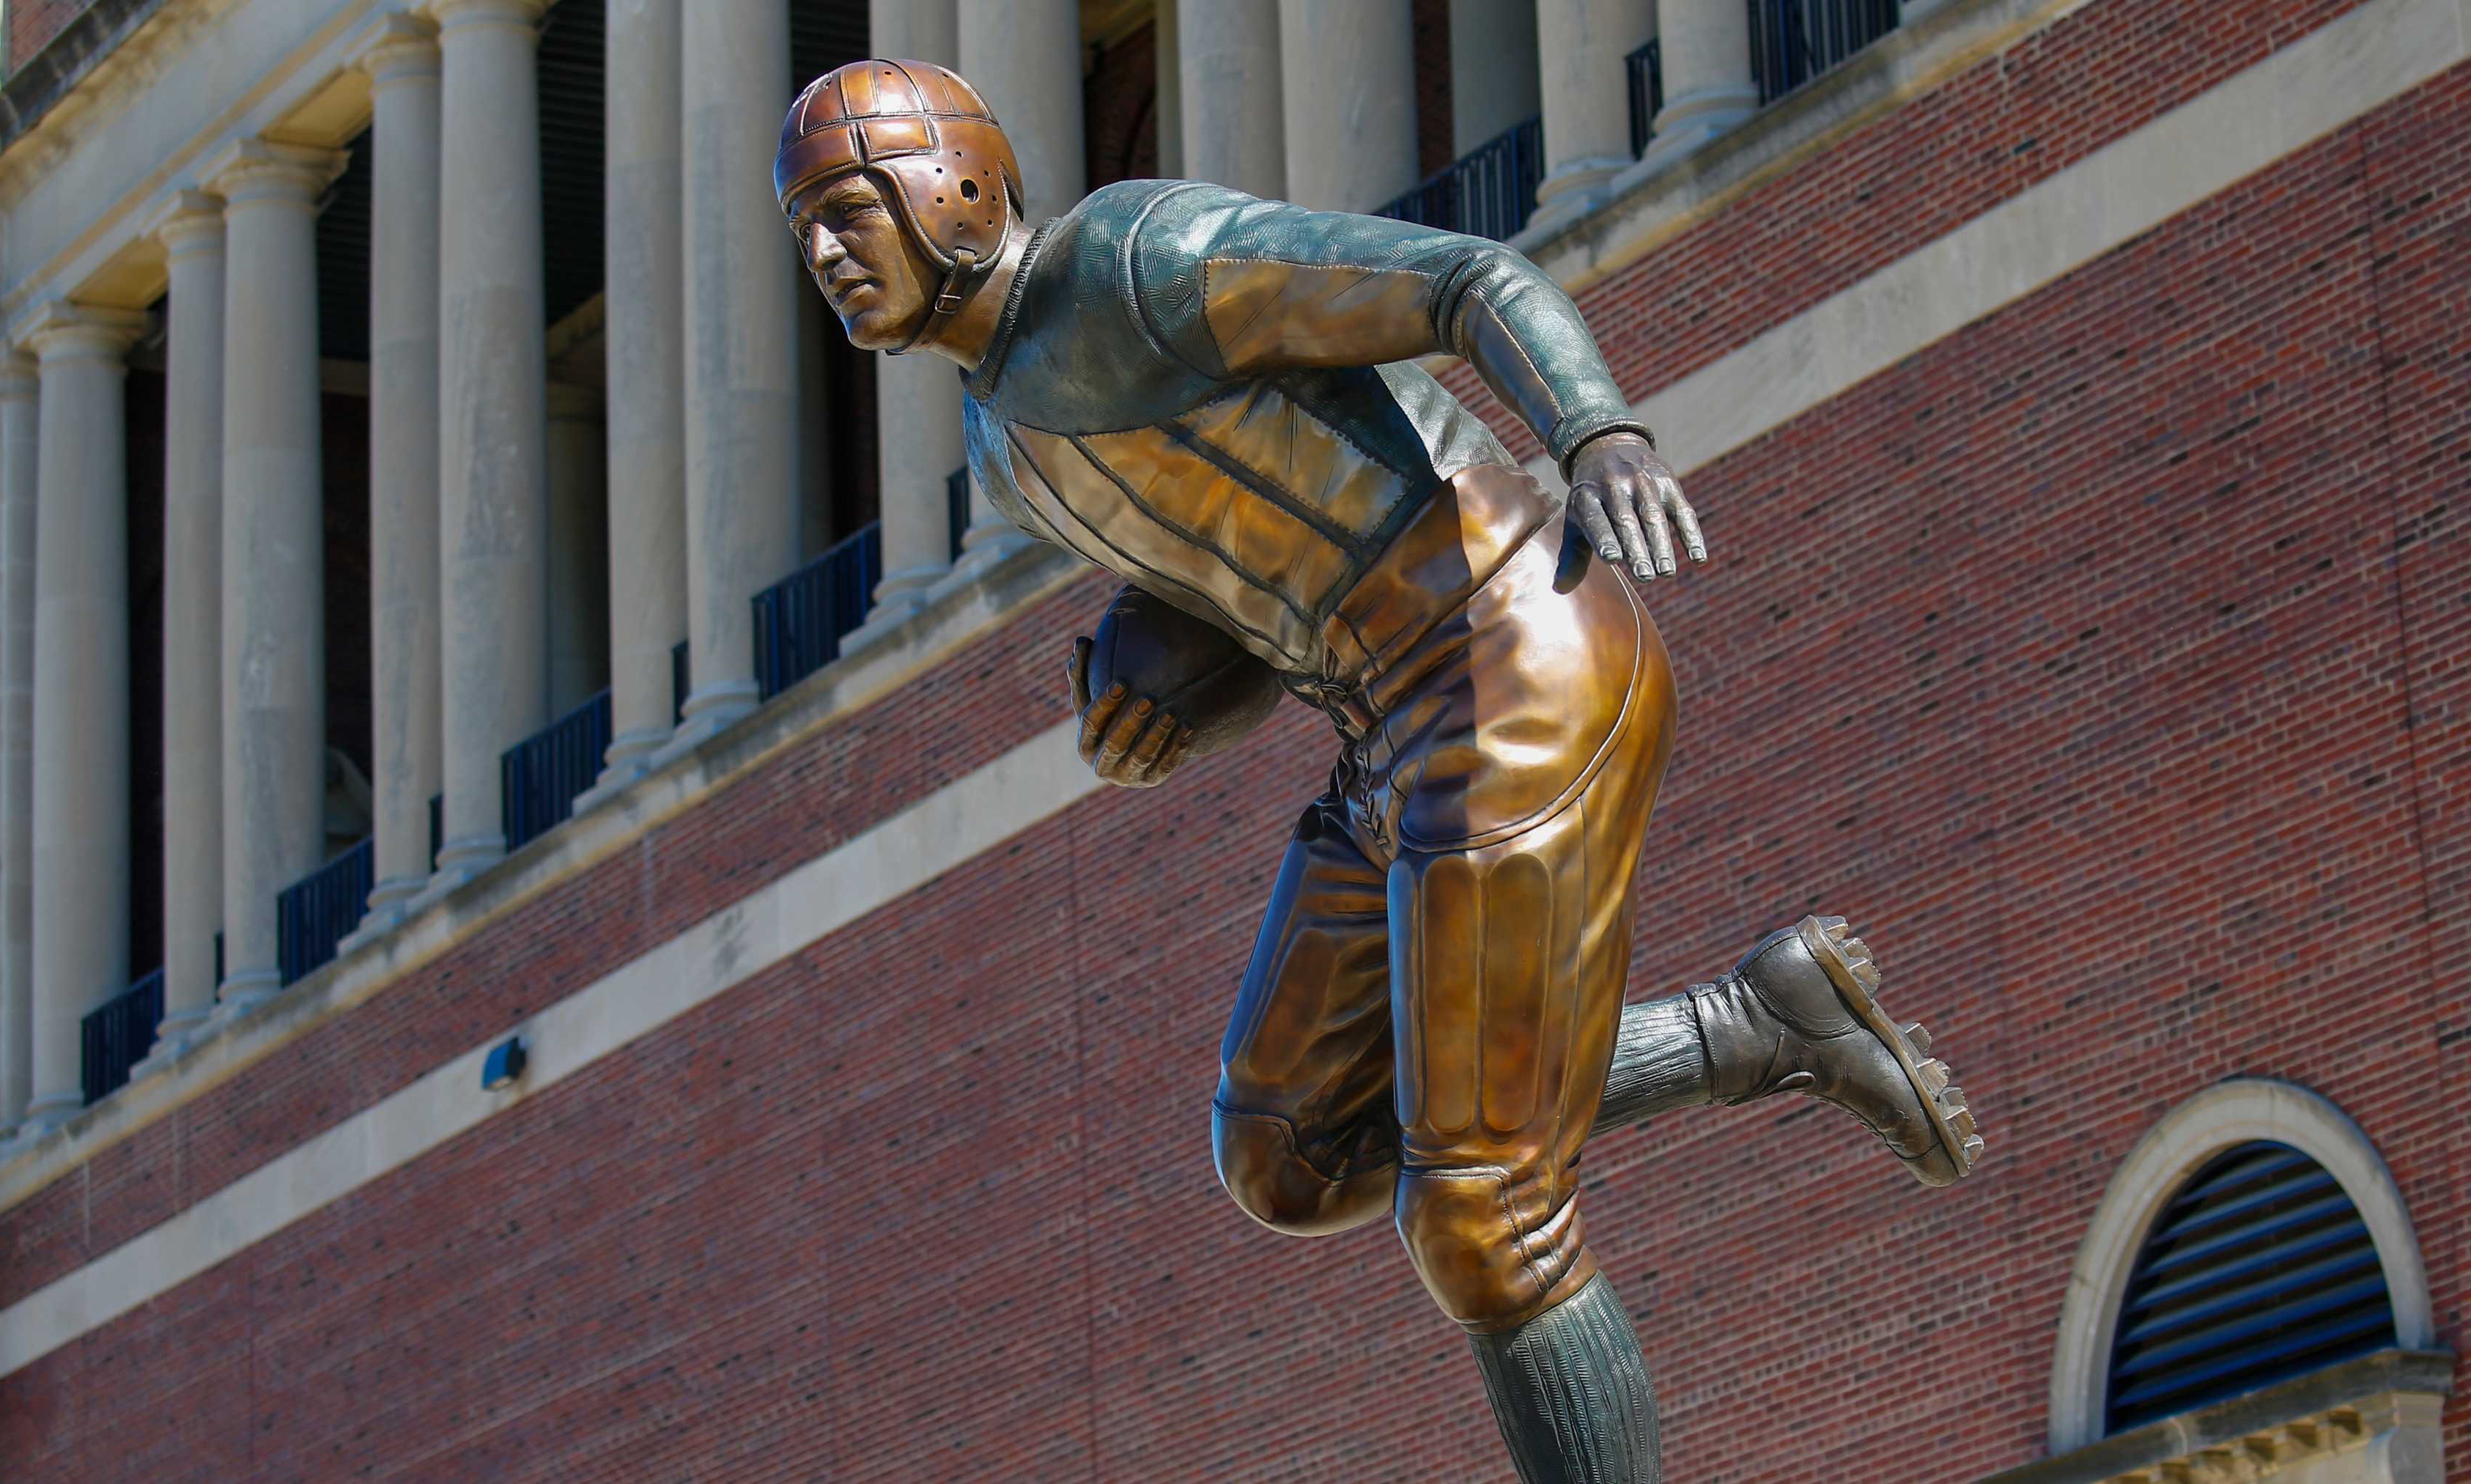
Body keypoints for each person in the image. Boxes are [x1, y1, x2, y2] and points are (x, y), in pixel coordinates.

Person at [775, 61, 1981, 1483]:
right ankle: (1759, 1021)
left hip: (1511, 651)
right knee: (1288, 1148)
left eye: (849, 211)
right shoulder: (1003, 444)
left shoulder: (1136, 261)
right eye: (807, 236)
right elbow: (1237, 605)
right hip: (1386, 724)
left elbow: (1467, 280)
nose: (829, 256)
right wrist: (1148, 701)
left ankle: (1756, 1032)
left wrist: (1596, 430)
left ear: (953, 183)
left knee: (1481, 1211)